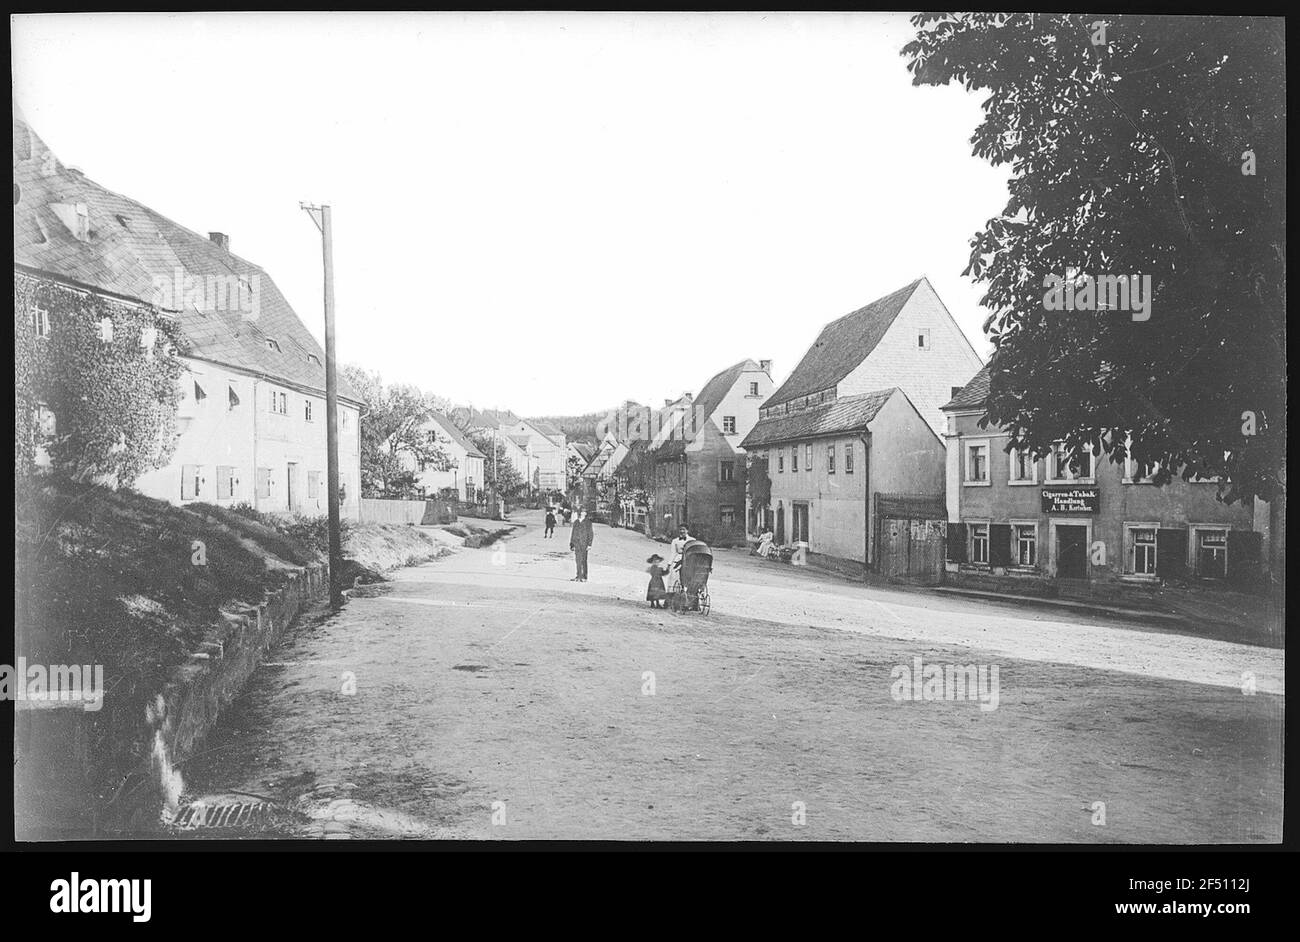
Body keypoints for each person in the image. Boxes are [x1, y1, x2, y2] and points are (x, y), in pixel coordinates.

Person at [570, 508, 594, 581]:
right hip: (577, 543)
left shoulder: (588, 523)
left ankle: (584, 577)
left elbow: (590, 533)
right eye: (581, 512)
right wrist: (572, 544)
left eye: (583, 512)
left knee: (583, 560)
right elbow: (573, 533)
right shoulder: (576, 522)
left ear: (585, 513)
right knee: (578, 560)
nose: (581, 513)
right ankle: (578, 576)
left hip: (584, 543)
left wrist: (589, 544)